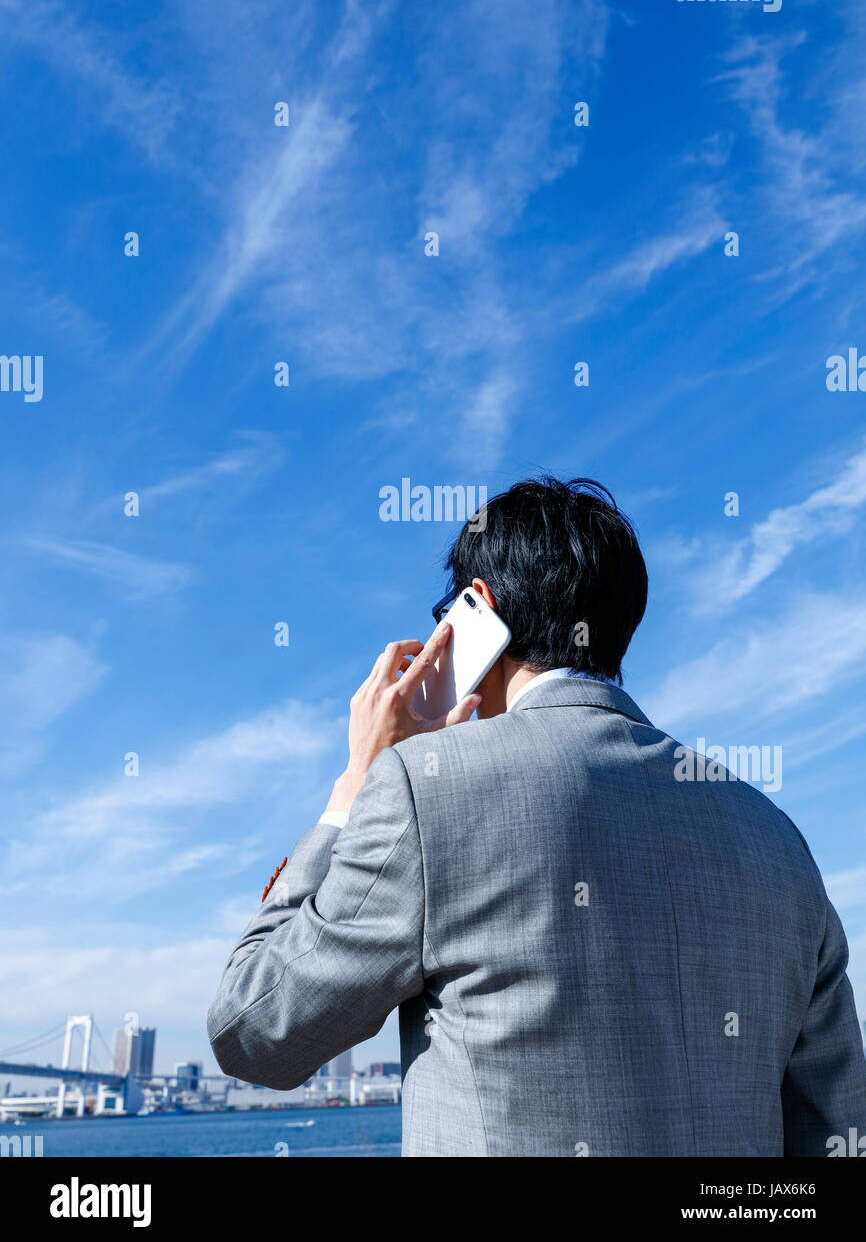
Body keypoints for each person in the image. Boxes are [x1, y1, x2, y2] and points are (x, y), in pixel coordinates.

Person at [208, 476, 866, 1156]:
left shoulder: (423, 790)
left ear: (477, 610)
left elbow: (253, 1032)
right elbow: (837, 1130)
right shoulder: (776, 839)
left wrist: (353, 784)